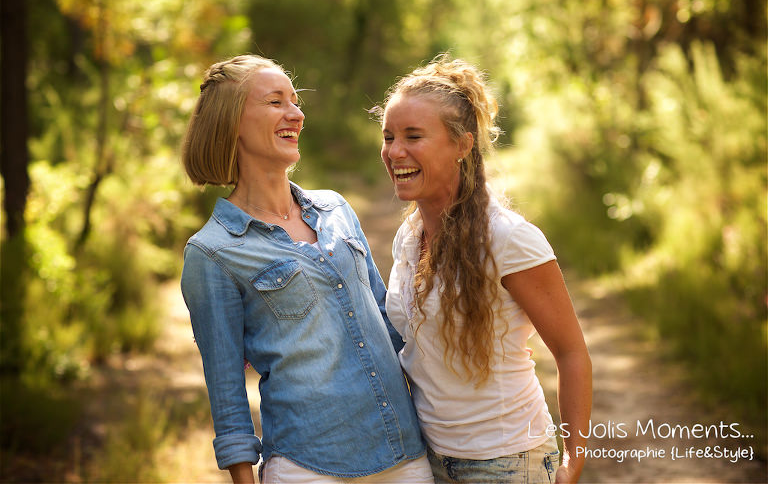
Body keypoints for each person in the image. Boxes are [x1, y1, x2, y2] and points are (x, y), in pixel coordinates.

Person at [180, 54, 433, 484]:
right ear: (232, 122)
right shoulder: (212, 252)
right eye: (276, 102)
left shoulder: (336, 209)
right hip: (308, 468)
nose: (296, 114)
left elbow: (390, 328)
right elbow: (226, 397)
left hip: (405, 456)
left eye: (295, 102)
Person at [375, 55, 592, 484]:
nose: (395, 151)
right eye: (388, 136)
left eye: (413, 136)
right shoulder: (409, 236)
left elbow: (571, 353)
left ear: (462, 144)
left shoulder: (508, 239)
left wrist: (572, 461)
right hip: (428, 461)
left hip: (510, 462)